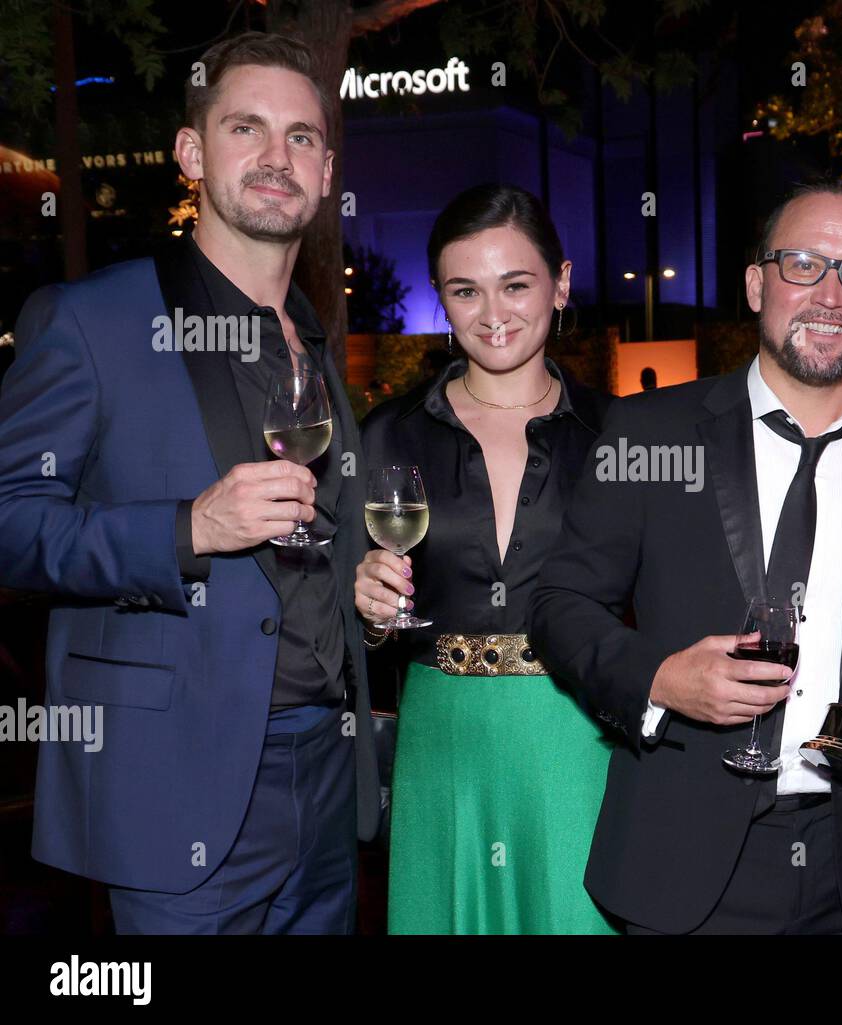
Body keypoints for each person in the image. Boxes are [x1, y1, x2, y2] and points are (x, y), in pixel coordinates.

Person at [528, 179, 842, 934]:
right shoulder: (649, 434)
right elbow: (561, 605)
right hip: (682, 858)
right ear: (754, 283)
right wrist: (661, 678)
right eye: (803, 263)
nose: (831, 294)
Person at [0, 32, 380, 933]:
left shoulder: (316, 345)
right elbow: (11, 519)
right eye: (246, 127)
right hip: (176, 781)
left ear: (327, 173)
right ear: (191, 151)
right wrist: (188, 529)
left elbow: (316, 553)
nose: (276, 157)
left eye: (301, 138)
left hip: (325, 774)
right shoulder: (93, 319)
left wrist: (363, 586)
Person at [354, 184, 617, 934]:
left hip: (578, 733)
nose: (492, 312)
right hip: (442, 737)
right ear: (440, 295)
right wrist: (370, 610)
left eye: (516, 284)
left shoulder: (620, 434)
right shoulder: (387, 434)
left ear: (561, 282)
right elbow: (351, 629)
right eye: (465, 290)